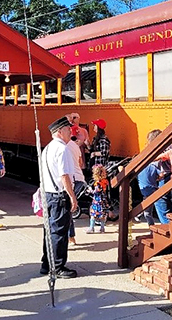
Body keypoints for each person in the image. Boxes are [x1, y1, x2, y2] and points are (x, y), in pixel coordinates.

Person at [40, 116, 79, 279]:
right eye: (68, 129)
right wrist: (72, 196)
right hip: (58, 195)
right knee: (59, 232)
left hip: (48, 194)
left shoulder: (48, 148)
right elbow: (64, 176)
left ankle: (46, 263)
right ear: (59, 132)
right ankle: (58, 267)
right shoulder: (62, 149)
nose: (71, 131)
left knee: (48, 230)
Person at [137, 129, 170, 225]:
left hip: (165, 177)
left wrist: (158, 177)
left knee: (160, 202)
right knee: (170, 202)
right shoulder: (170, 146)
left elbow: (161, 171)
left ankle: (167, 226)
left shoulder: (157, 152)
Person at [67, 124, 87, 244]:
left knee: (66, 208)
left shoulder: (64, 146)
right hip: (79, 178)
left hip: (72, 180)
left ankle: (70, 236)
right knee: (68, 208)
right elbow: (80, 163)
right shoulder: (75, 146)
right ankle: (71, 236)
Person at [85, 164, 110, 233]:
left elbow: (96, 192)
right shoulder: (105, 181)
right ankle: (102, 228)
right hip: (103, 200)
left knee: (93, 214)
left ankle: (91, 228)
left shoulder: (98, 183)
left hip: (97, 201)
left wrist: (90, 190)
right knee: (102, 215)